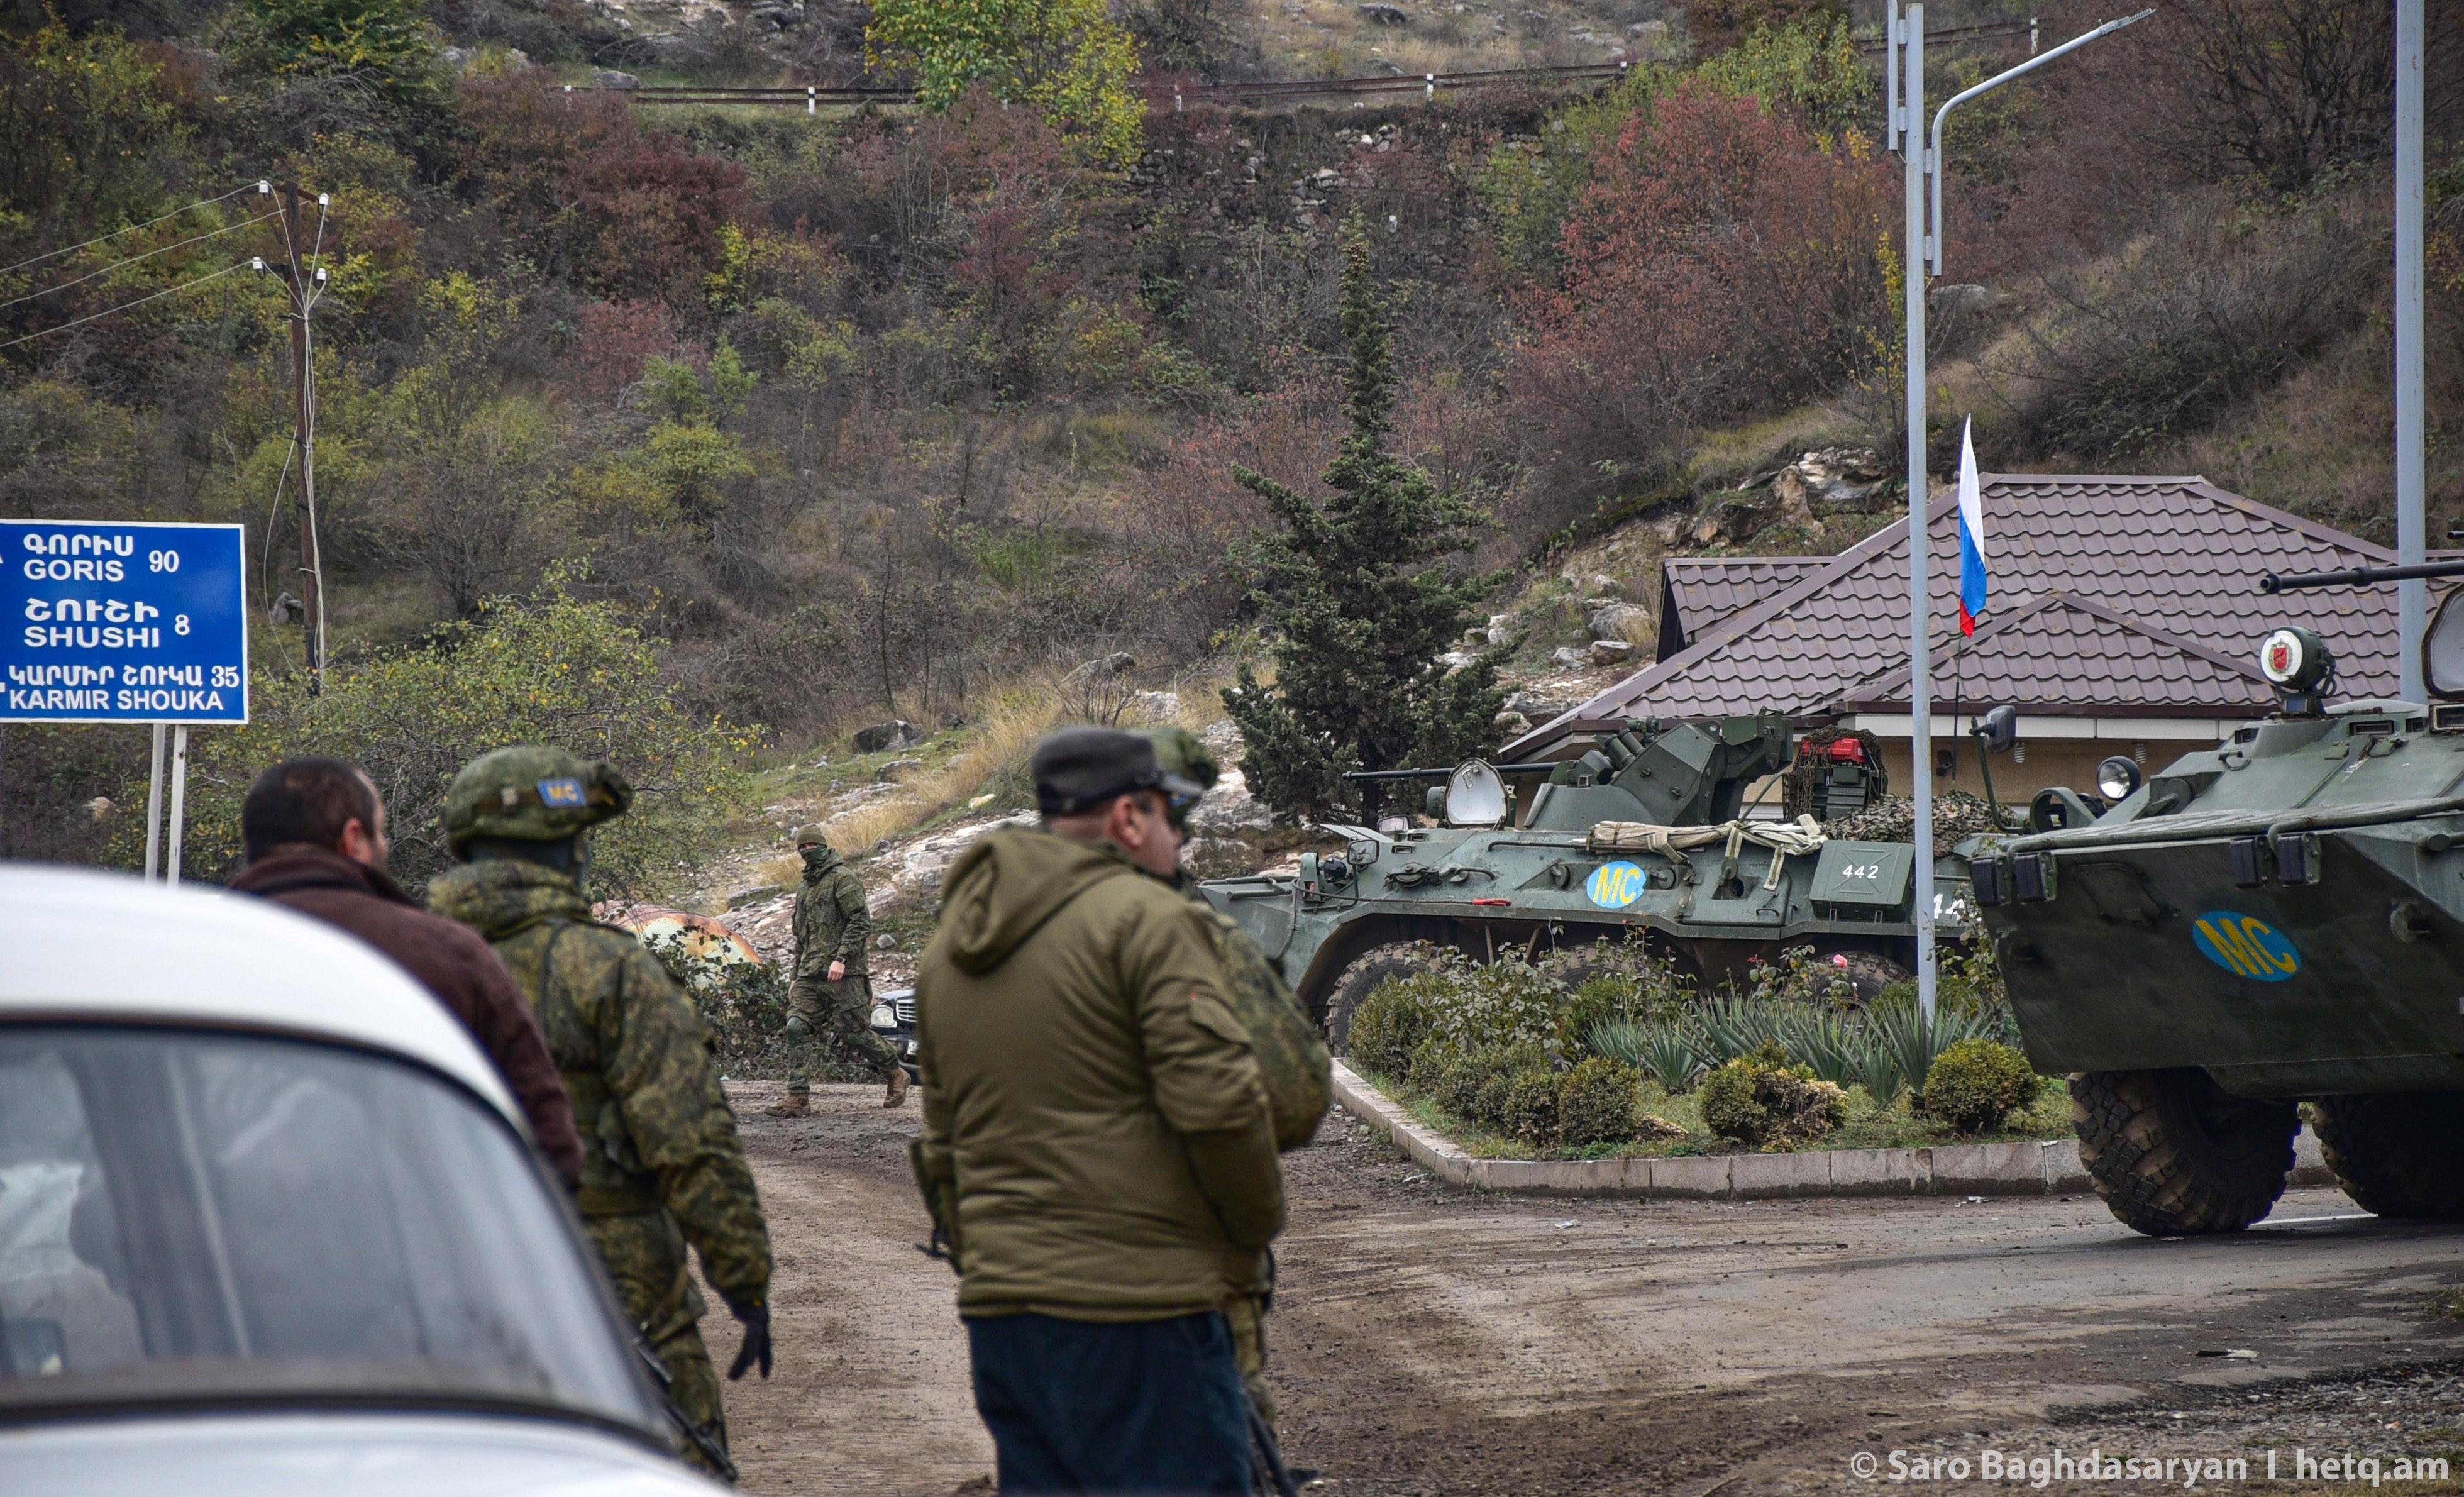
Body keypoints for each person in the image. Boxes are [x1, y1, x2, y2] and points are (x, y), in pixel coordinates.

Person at [912, 726, 1287, 1495]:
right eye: (1167, 817)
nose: (1177, 838)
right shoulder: (1150, 922)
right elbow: (1219, 1110)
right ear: (1127, 817)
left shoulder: (949, 950)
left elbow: (943, 1145)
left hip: (1005, 1318)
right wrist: (1252, 1232)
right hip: (1142, 1313)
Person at [426, 745, 773, 1476]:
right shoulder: (607, 966)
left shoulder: (397, 959)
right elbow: (691, 1138)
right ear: (568, 850)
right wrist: (742, 1278)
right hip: (617, 1282)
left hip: (442, 1281)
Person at [226, 754, 587, 1191]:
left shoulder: (189, 952)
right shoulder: (446, 954)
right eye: (382, 831)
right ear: (353, 839)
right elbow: (549, 1141)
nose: (386, 845)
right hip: (418, 1244)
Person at [1137, 727, 1330, 1437]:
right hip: (1179, 1277)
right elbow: (1294, 1098)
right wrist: (1252, 1233)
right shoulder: (1187, 939)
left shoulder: (973, 947)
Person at [765, 824, 907, 1114]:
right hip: (810, 974)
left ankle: (894, 1072)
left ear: (822, 846)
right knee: (795, 1027)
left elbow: (860, 922)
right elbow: (801, 937)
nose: (806, 851)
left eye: (810, 846)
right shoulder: (804, 889)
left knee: (854, 1034)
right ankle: (798, 1097)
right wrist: (795, 976)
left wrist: (841, 958)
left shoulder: (843, 879)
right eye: (801, 848)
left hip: (845, 974)